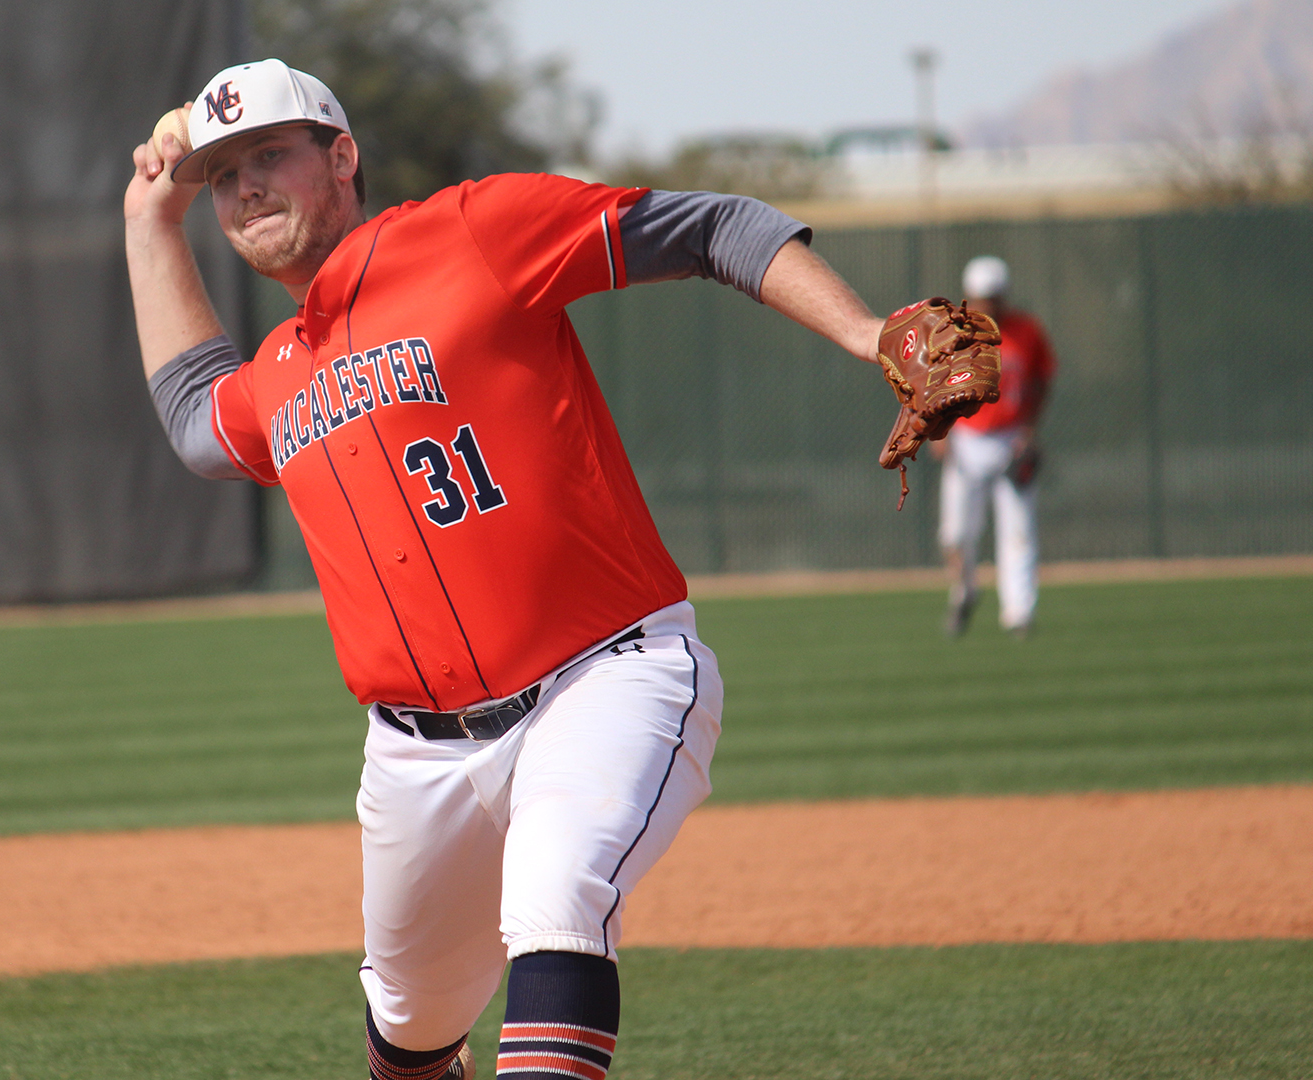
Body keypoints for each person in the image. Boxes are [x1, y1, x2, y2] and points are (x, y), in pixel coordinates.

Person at [125, 59, 902, 1080]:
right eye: (225, 174)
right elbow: (193, 423)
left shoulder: (473, 231)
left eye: (270, 156)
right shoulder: (281, 371)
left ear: (343, 157)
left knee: (558, 901)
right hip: (415, 759)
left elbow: (718, 228)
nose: (247, 189)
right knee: (407, 1028)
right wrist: (151, 214)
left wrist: (866, 329)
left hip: (602, 680)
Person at [935, 256, 1057, 638]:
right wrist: (941, 432)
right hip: (966, 438)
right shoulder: (952, 334)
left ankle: (1019, 612)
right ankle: (965, 592)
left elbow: (1042, 382)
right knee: (956, 534)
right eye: (980, 299)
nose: (988, 305)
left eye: (993, 298)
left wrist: (1031, 431)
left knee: (1018, 529)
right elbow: (934, 386)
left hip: (1010, 438)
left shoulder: (1026, 330)